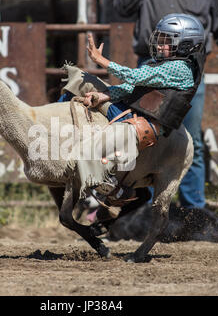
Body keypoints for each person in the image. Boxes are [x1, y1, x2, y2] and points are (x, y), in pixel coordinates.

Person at [111, 0, 218, 209]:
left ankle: (193, 212)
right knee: (143, 136)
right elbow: (121, 8)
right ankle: (143, 211)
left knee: (191, 140)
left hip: (189, 67)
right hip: (151, 64)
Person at [73, 13, 206, 206]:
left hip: (149, 123)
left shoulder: (179, 68)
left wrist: (101, 61)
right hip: (136, 113)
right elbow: (131, 89)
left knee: (98, 146)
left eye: (166, 41)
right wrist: (104, 96)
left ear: (185, 45)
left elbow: (133, 77)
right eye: (159, 39)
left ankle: (113, 186)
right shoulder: (164, 63)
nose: (159, 44)